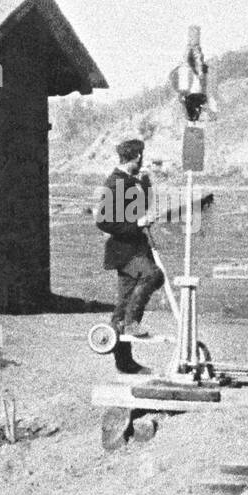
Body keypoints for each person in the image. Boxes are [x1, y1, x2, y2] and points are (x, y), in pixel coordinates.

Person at [96, 138, 165, 351]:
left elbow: (140, 207)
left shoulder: (129, 180)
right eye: (141, 156)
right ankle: (132, 323)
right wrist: (137, 224)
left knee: (124, 304)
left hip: (134, 249)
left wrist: (146, 184)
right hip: (124, 252)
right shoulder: (115, 181)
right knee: (153, 275)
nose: (142, 160)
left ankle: (124, 361)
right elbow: (103, 220)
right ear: (137, 156)